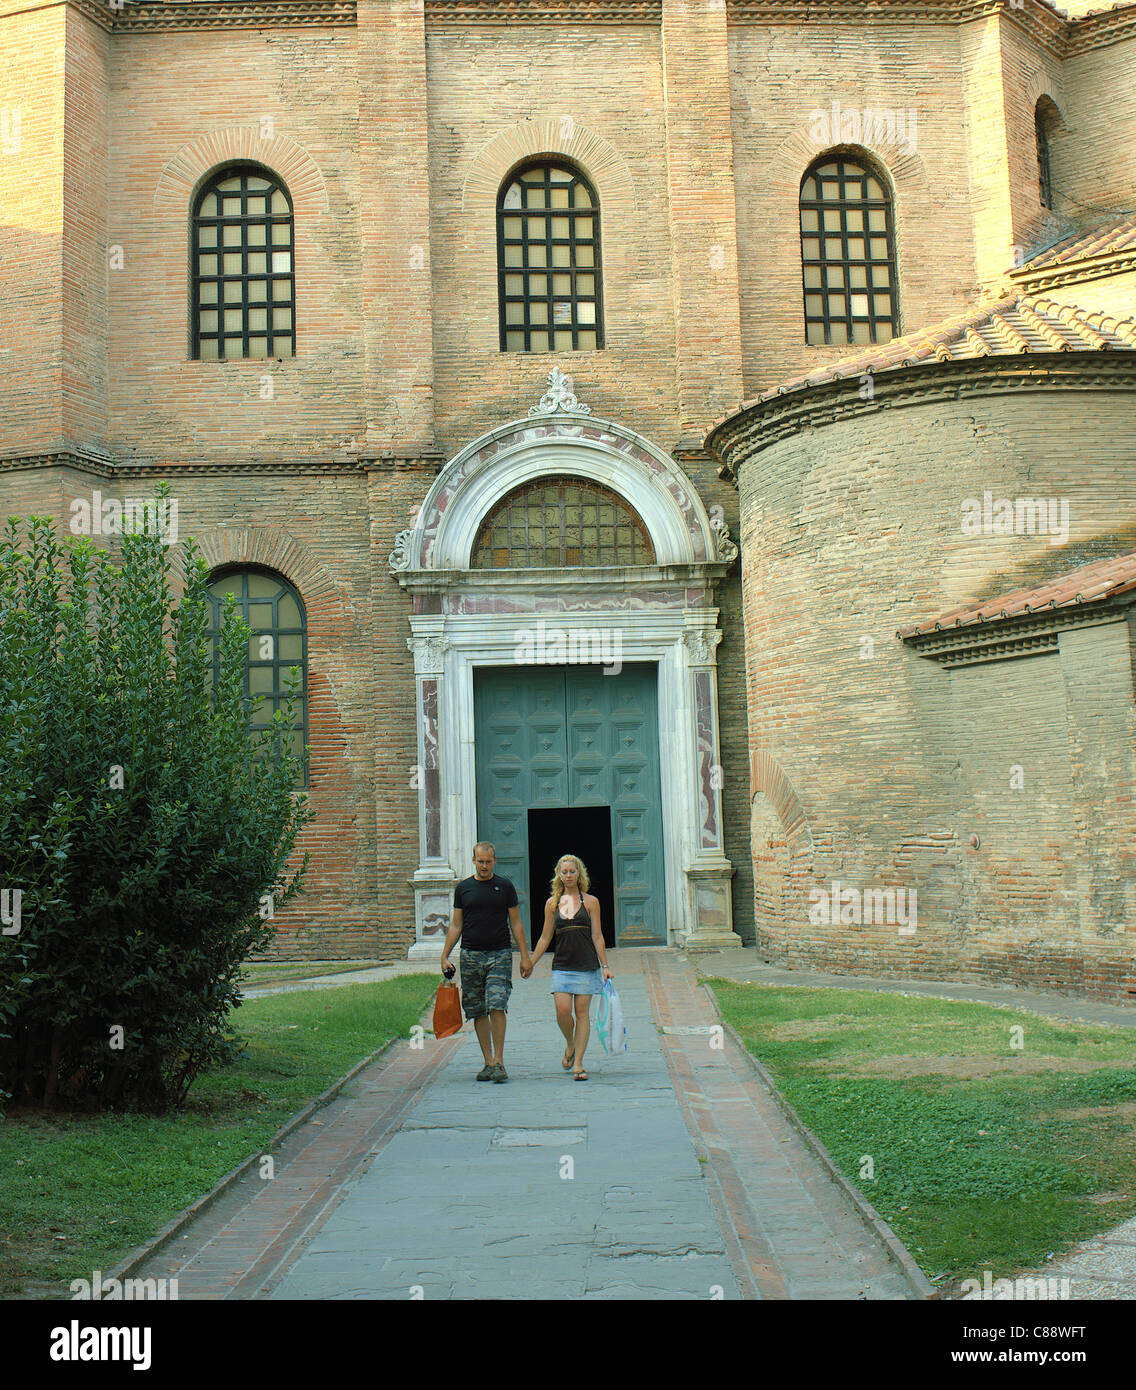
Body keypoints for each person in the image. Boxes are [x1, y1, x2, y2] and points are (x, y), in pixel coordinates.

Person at [440, 842, 531, 1083]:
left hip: (499, 953)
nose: (483, 865)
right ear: (473, 860)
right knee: (477, 1008)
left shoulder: (505, 886)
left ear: (494, 860)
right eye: (480, 861)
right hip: (470, 955)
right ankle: (488, 1062)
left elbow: (516, 923)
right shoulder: (464, 889)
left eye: (488, 861)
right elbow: (456, 924)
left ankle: (500, 1061)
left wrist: (524, 956)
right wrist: (444, 955)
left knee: (497, 1004)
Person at [522, 854, 611, 1081]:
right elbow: (544, 938)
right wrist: (531, 962)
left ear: (579, 873)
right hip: (562, 965)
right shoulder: (552, 904)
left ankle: (578, 1064)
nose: (569, 875)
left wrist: (605, 966)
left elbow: (598, 936)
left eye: (572, 871)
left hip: (586, 965)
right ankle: (570, 1044)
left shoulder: (591, 902)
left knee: (582, 1015)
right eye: (564, 872)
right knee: (562, 1011)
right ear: (559, 876)